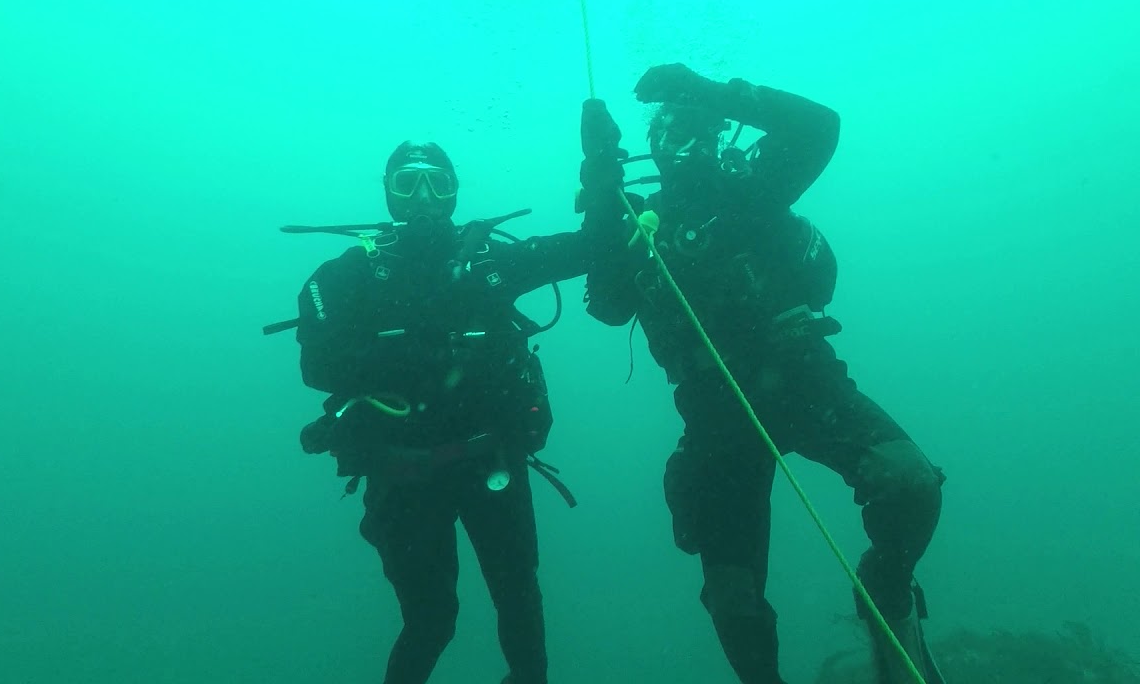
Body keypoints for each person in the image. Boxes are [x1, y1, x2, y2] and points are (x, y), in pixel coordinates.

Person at [577, 64, 948, 684]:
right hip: (716, 415)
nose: (685, 143)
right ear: (654, 144)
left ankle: (886, 588)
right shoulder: (639, 223)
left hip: (804, 381)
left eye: (700, 129)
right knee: (732, 600)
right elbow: (611, 309)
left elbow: (819, 127)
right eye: (671, 131)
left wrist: (708, 89)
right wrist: (599, 184)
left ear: (722, 136)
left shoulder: (753, 189)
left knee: (911, 483)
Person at [292, 140, 609, 684]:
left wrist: (602, 171)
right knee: (432, 620)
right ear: (388, 196)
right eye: (407, 184)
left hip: (492, 465)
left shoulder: (491, 262)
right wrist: (401, 355)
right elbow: (316, 366)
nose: (424, 199)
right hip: (403, 475)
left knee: (520, 605)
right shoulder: (347, 275)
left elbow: (593, 246)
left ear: (456, 194)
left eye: (438, 184)